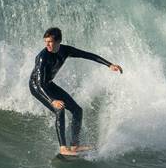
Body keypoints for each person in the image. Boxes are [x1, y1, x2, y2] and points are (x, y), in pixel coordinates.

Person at [28, 27, 122, 155]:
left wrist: (109, 64)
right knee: (59, 108)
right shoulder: (42, 57)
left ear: (58, 41)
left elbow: (88, 55)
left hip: (48, 85)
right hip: (37, 87)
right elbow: (39, 84)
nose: (47, 45)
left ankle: (74, 145)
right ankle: (63, 148)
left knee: (77, 110)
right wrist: (52, 100)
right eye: (46, 42)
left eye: (50, 42)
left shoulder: (65, 50)